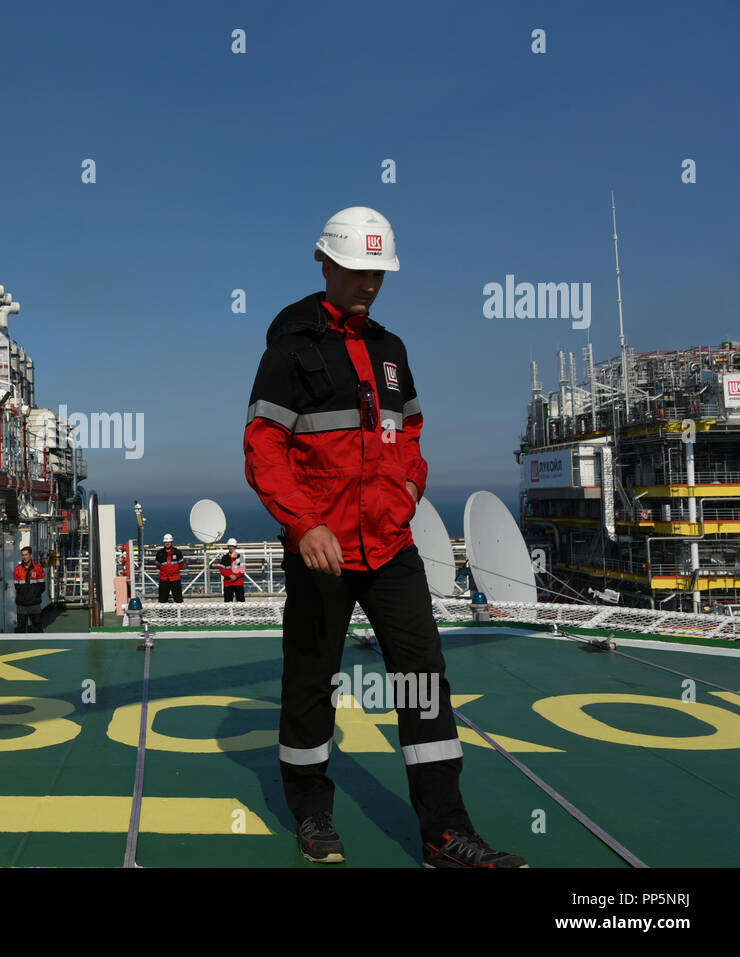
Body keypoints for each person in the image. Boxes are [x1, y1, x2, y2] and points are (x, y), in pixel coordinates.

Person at [243, 206, 526, 868]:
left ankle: (444, 831)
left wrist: (408, 488)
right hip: (324, 551)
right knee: (311, 682)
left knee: (424, 678)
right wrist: (303, 522)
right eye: (360, 269)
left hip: (390, 546)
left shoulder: (391, 351)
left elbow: (411, 433)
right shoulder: (289, 351)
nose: (371, 282)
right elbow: (263, 449)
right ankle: (312, 811)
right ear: (327, 264)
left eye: (379, 271)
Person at [13, 546, 45, 632]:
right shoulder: (17, 569)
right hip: (21, 605)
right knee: (21, 629)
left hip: (34, 604)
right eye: (23, 555)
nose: (24, 557)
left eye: (26, 554)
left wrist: (34, 595)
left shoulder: (38, 569)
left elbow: (42, 587)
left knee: (37, 628)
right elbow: (16, 586)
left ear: (30, 555)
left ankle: (38, 645)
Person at [155, 533, 186, 603]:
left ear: (172, 542)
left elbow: (181, 564)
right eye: (166, 542)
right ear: (164, 542)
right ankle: (163, 614)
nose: (167, 543)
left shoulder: (177, 552)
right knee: (162, 600)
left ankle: (180, 613)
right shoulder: (160, 553)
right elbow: (158, 565)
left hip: (175, 579)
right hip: (164, 579)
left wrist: (174, 571)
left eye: (169, 542)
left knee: (178, 599)